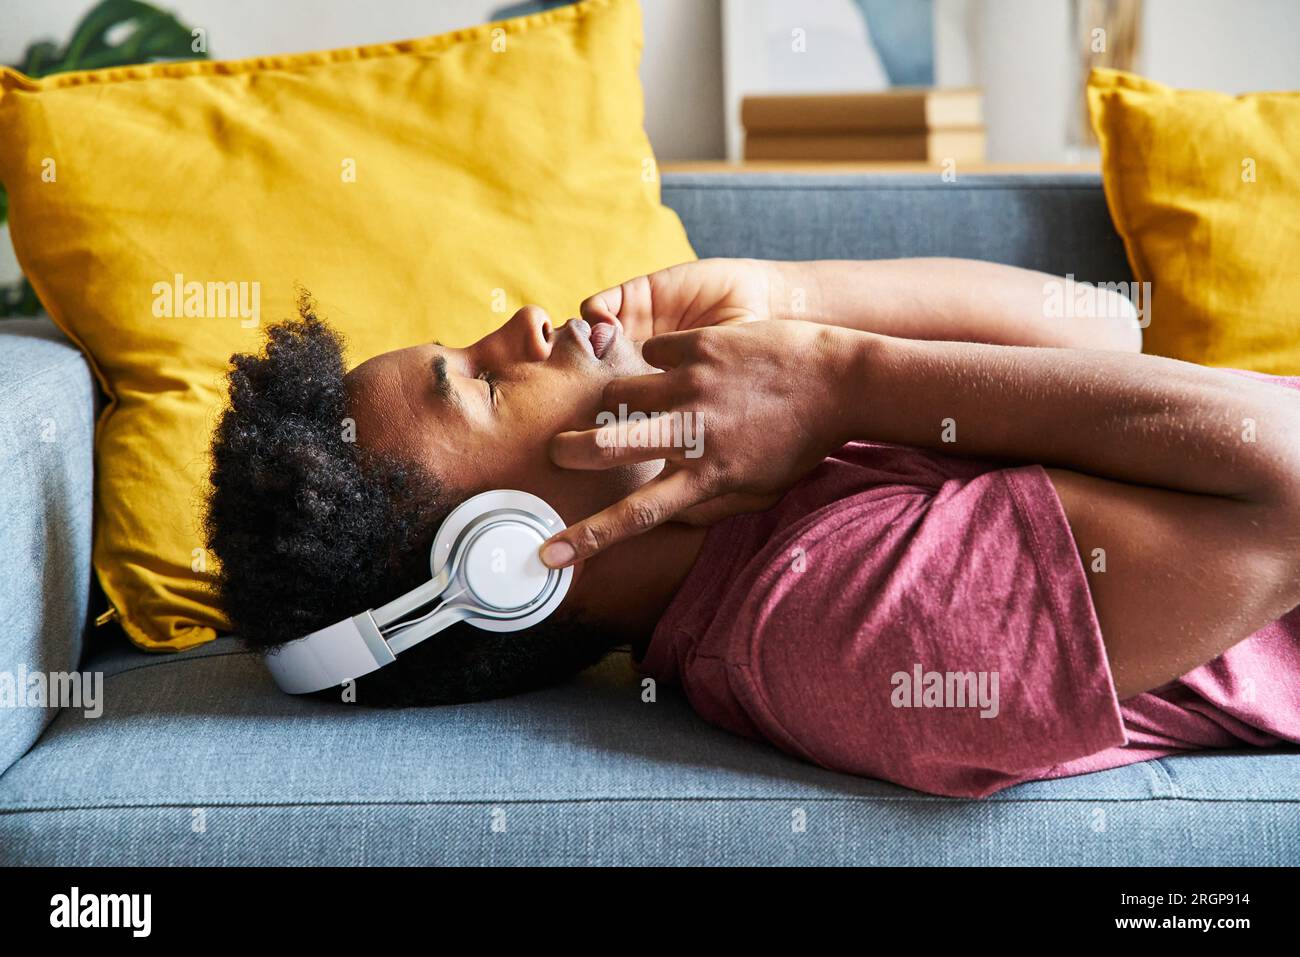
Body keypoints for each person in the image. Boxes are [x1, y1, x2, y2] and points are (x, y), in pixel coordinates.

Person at [206, 258, 1300, 797]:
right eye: (481, 385)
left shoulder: (756, 466)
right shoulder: (821, 627)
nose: (521, 324)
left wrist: (786, 299)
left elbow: (1098, 329)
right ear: (504, 565)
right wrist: (839, 377)